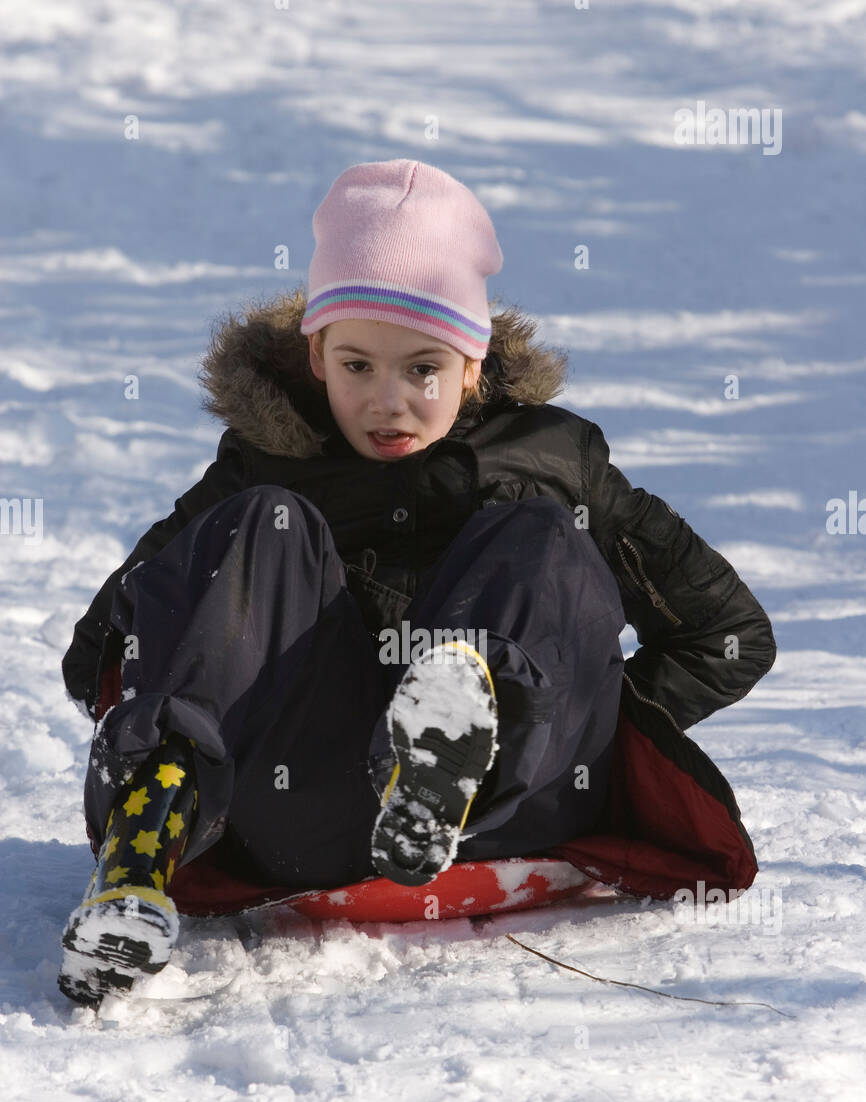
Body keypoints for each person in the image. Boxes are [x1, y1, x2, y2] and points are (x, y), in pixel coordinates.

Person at [58, 158, 776, 1008]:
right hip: (312, 810)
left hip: (508, 806)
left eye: (423, 369)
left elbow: (727, 635)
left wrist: (586, 710)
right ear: (316, 354)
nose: (387, 402)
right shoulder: (263, 466)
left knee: (536, 534)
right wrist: (235, 656)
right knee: (267, 522)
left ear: (474, 364)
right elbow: (99, 652)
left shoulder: (551, 462)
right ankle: (144, 849)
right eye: (358, 365)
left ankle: (452, 744)